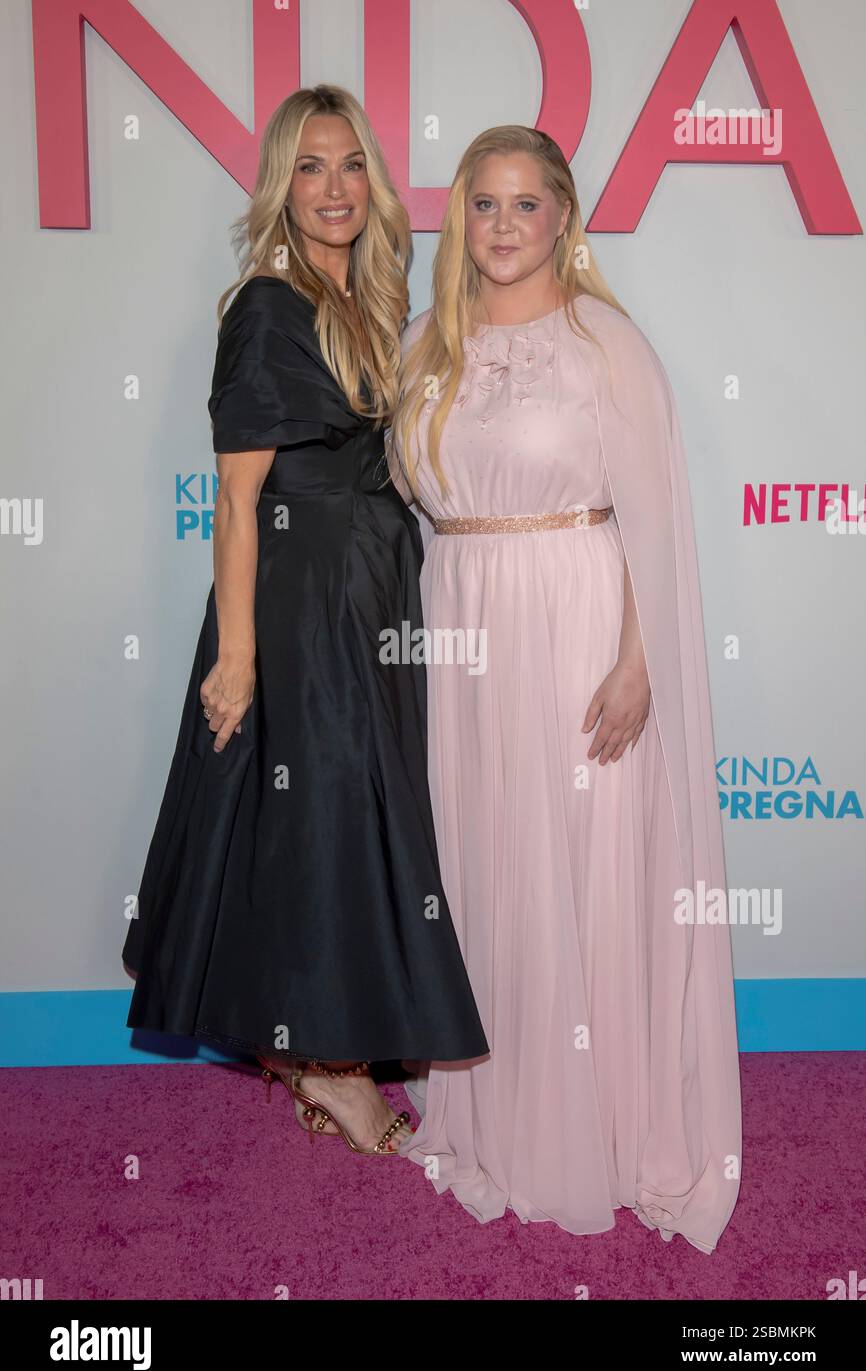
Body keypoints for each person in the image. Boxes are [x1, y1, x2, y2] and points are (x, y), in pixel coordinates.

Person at [389, 126, 742, 1244]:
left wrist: (638, 659)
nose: (500, 226)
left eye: (523, 204)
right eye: (480, 205)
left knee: (583, 870)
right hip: (462, 627)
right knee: (487, 865)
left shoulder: (605, 343)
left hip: (580, 621)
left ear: (562, 217)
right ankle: (494, 1113)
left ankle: (600, 1123)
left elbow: (654, 521)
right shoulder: (419, 346)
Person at [122, 85, 488, 1157]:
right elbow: (237, 498)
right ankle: (332, 1070)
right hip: (301, 600)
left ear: (372, 182)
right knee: (319, 822)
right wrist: (238, 656)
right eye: (310, 168)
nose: (333, 189)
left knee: (342, 820)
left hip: (367, 594)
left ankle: (319, 1049)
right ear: (280, 187)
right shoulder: (267, 307)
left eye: (350, 166)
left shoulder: (370, 299)